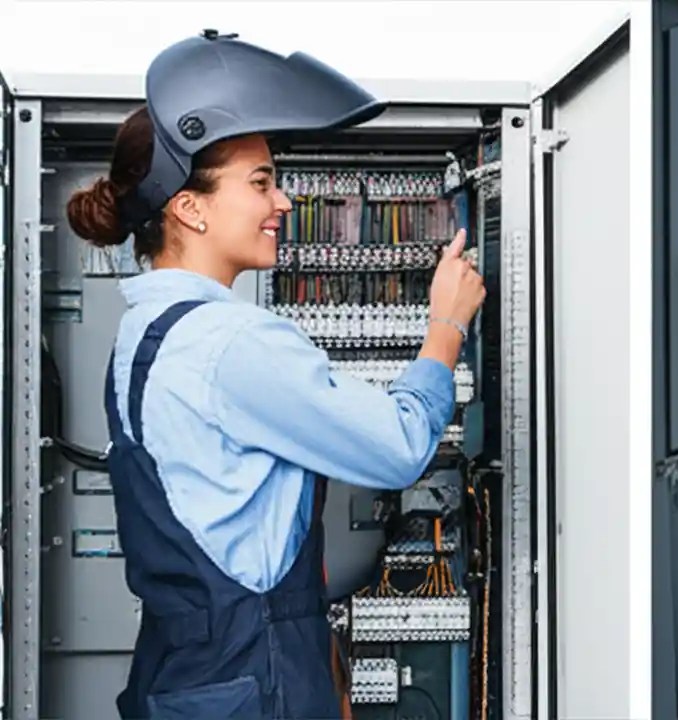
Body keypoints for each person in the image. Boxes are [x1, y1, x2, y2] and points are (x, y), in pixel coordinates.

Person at [64, 31, 485, 719]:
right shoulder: (231, 342)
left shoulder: (144, 334)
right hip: (251, 680)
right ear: (189, 207)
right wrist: (446, 325)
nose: (283, 201)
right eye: (261, 182)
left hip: (184, 675)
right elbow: (399, 446)